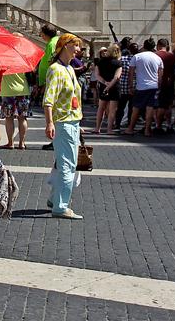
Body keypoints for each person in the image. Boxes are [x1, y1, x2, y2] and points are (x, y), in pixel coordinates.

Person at [43, 33, 86, 219]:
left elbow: (72, 98)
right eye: (75, 45)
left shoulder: (69, 68)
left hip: (72, 121)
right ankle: (61, 207)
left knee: (63, 163)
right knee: (68, 165)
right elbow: (48, 99)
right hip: (63, 122)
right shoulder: (56, 70)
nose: (78, 49)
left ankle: (54, 199)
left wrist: (78, 121)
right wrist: (49, 122)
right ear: (65, 46)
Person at [125, 39, 162, 136]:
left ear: (144, 46)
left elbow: (131, 73)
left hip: (141, 86)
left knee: (136, 108)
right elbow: (160, 75)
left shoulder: (137, 57)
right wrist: (159, 86)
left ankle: (130, 128)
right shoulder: (158, 58)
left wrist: (131, 86)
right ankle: (147, 130)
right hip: (153, 86)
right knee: (150, 108)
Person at [0, 67, 31, 149]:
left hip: (7, 90)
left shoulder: (2, 60)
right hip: (22, 90)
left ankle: (10, 143)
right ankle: (21, 143)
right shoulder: (21, 59)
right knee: (22, 118)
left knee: (9, 118)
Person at [91, 45, 122, 135]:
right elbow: (116, 77)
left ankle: (97, 128)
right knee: (112, 110)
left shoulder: (101, 62)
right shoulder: (118, 63)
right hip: (114, 87)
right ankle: (109, 129)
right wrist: (110, 85)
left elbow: (97, 75)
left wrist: (105, 83)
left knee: (101, 108)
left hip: (103, 87)